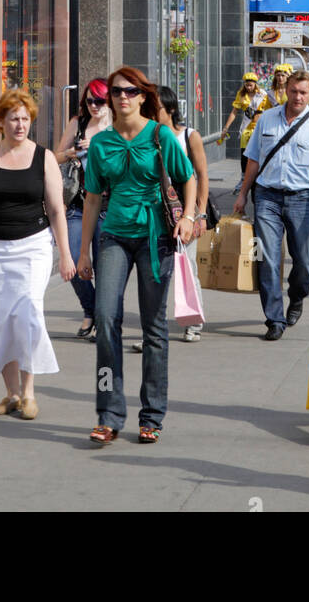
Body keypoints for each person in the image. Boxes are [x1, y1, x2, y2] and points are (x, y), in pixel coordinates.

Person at [76, 65, 196, 445]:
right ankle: (109, 414)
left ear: (143, 96)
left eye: (130, 91)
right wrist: (84, 254)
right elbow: (93, 198)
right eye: (115, 92)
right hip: (113, 235)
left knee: (154, 327)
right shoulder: (101, 144)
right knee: (106, 317)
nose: (122, 97)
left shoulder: (160, 136)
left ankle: (152, 415)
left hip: (154, 237)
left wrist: (190, 217)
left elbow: (188, 176)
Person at [0, 88, 75, 420]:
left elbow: (56, 210)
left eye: (25, 119)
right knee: (1, 320)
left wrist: (65, 255)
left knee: (28, 311)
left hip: (33, 246)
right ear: (1, 122)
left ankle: (29, 392)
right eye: (14, 119)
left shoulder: (45, 158)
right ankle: (10, 393)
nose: (20, 124)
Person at [233, 70, 309, 340]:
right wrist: (242, 194)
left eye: (303, 92)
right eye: (294, 91)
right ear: (286, 90)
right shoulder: (266, 120)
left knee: (305, 261)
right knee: (268, 259)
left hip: (301, 199)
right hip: (267, 198)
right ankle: (274, 319)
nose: (298, 97)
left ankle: (296, 297)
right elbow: (253, 158)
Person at [54, 77, 111, 339]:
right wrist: (71, 154)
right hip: (78, 204)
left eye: (99, 101)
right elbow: (55, 156)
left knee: (104, 268)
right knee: (77, 261)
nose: (94, 106)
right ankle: (90, 310)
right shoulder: (78, 124)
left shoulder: (117, 126)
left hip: (109, 206)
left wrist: (98, 147)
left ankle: (101, 319)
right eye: (90, 100)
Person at [159, 85, 209, 343]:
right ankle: (155, 326)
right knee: (157, 270)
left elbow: (201, 176)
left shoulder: (189, 136)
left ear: (170, 110)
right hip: (157, 213)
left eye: (156, 108)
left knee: (186, 267)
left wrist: (198, 215)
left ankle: (193, 323)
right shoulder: (147, 136)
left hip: (184, 212)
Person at [219, 71, 271, 195]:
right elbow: (234, 112)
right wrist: (226, 128)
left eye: (251, 85)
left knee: (260, 154)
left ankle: (261, 179)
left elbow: (269, 111)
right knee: (244, 155)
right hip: (246, 129)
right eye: (246, 85)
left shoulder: (263, 95)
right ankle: (243, 179)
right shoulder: (241, 95)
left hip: (259, 129)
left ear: (255, 84)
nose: (248, 87)